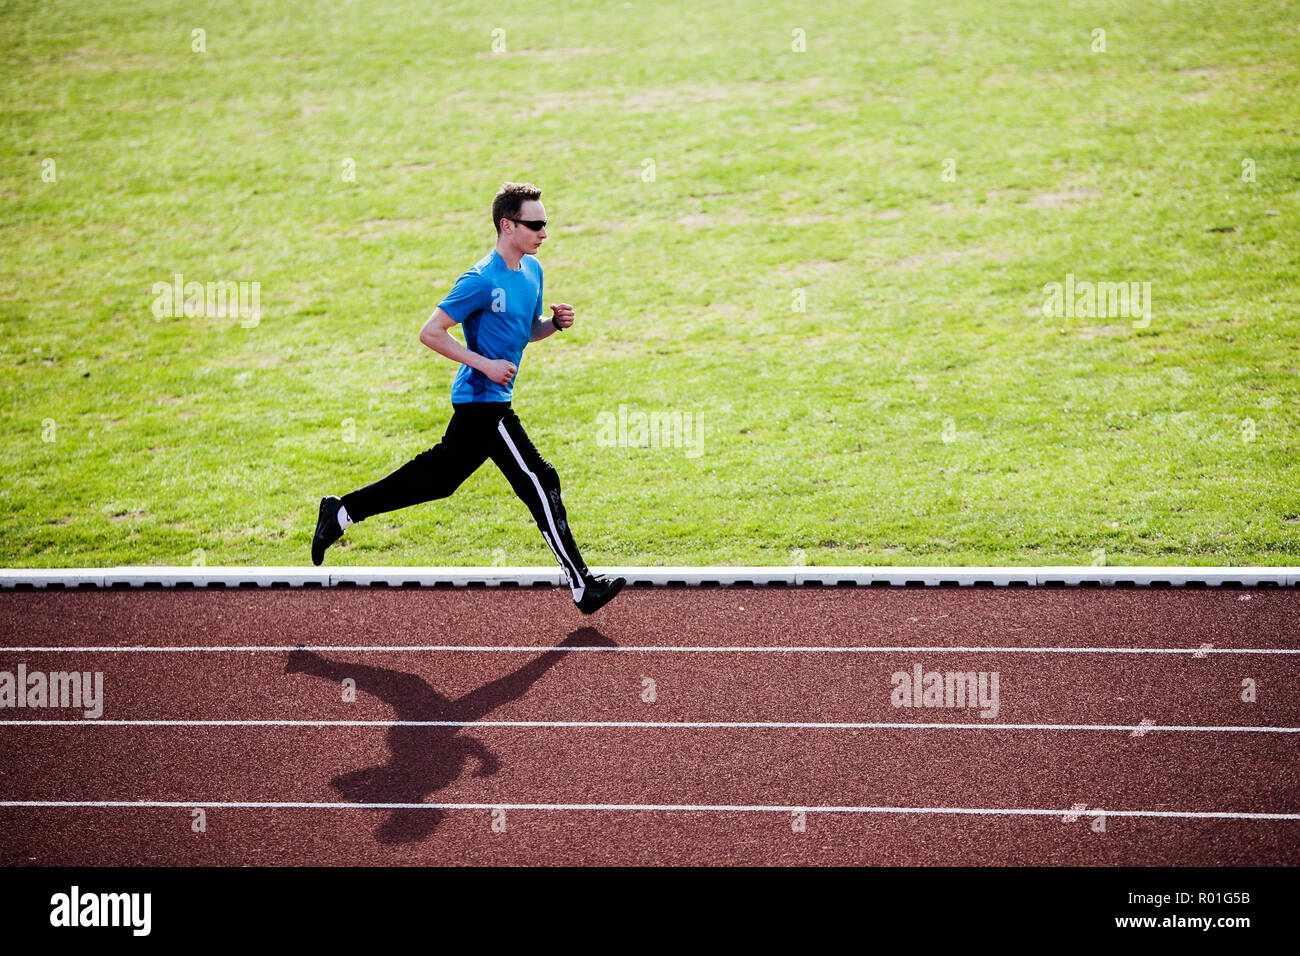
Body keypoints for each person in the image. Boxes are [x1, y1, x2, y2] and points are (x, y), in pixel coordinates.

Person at [311, 182, 625, 615]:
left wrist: (553, 324)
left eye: (546, 224)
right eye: (535, 225)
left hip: (491, 399)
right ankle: (582, 584)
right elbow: (431, 332)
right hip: (483, 402)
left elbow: (523, 330)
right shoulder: (480, 279)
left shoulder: (532, 272)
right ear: (507, 225)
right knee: (541, 480)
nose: (544, 233)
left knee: (440, 479)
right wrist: (485, 365)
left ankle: (341, 512)